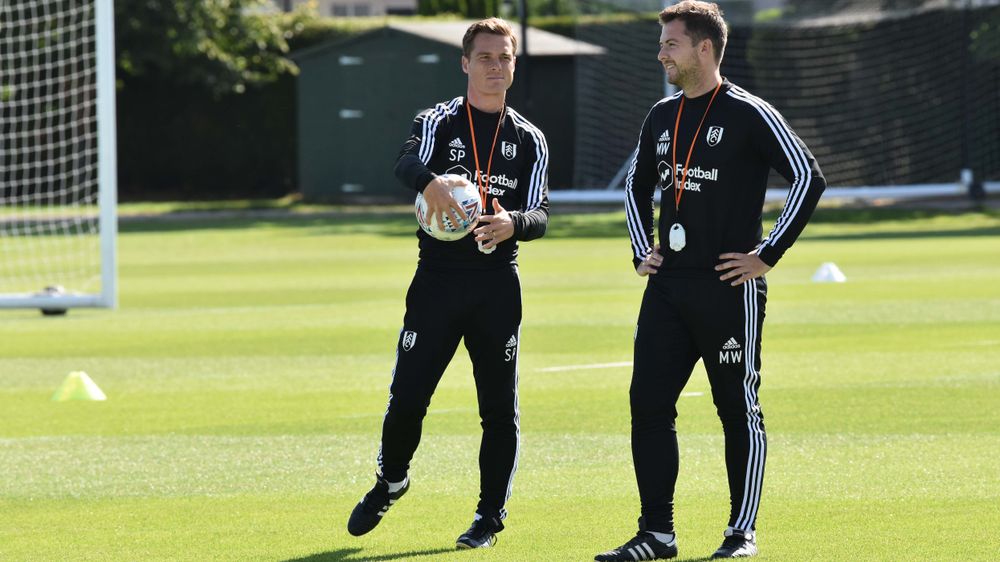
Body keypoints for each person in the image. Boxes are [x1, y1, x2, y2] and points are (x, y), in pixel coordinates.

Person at [595, 2, 825, 560]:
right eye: (661, 43)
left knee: (736, 408)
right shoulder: (660, 115)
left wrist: (767, 254)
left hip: (728, 288)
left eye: (671, 43)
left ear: (704, 48)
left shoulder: (749, 113)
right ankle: (657, 534)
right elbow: (635, 186)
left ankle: (740, 532)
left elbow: (808, 176)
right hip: (668, 288)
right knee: (647, 404)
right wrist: (640, 249)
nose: (661, 53)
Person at [346, 17, 549, 551]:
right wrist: (430, 182)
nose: (495, 67)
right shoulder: (439, 121)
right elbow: (404, 160)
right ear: (465, 63)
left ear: (514, 64)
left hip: (496, 288)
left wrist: (514, 224)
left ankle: (489, 518)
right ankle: (391, 480)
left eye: (504, 58)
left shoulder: (530, 139)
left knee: (498, 409)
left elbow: (542, 214)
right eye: (484, 57)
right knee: (408, 396)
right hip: (437, 283)